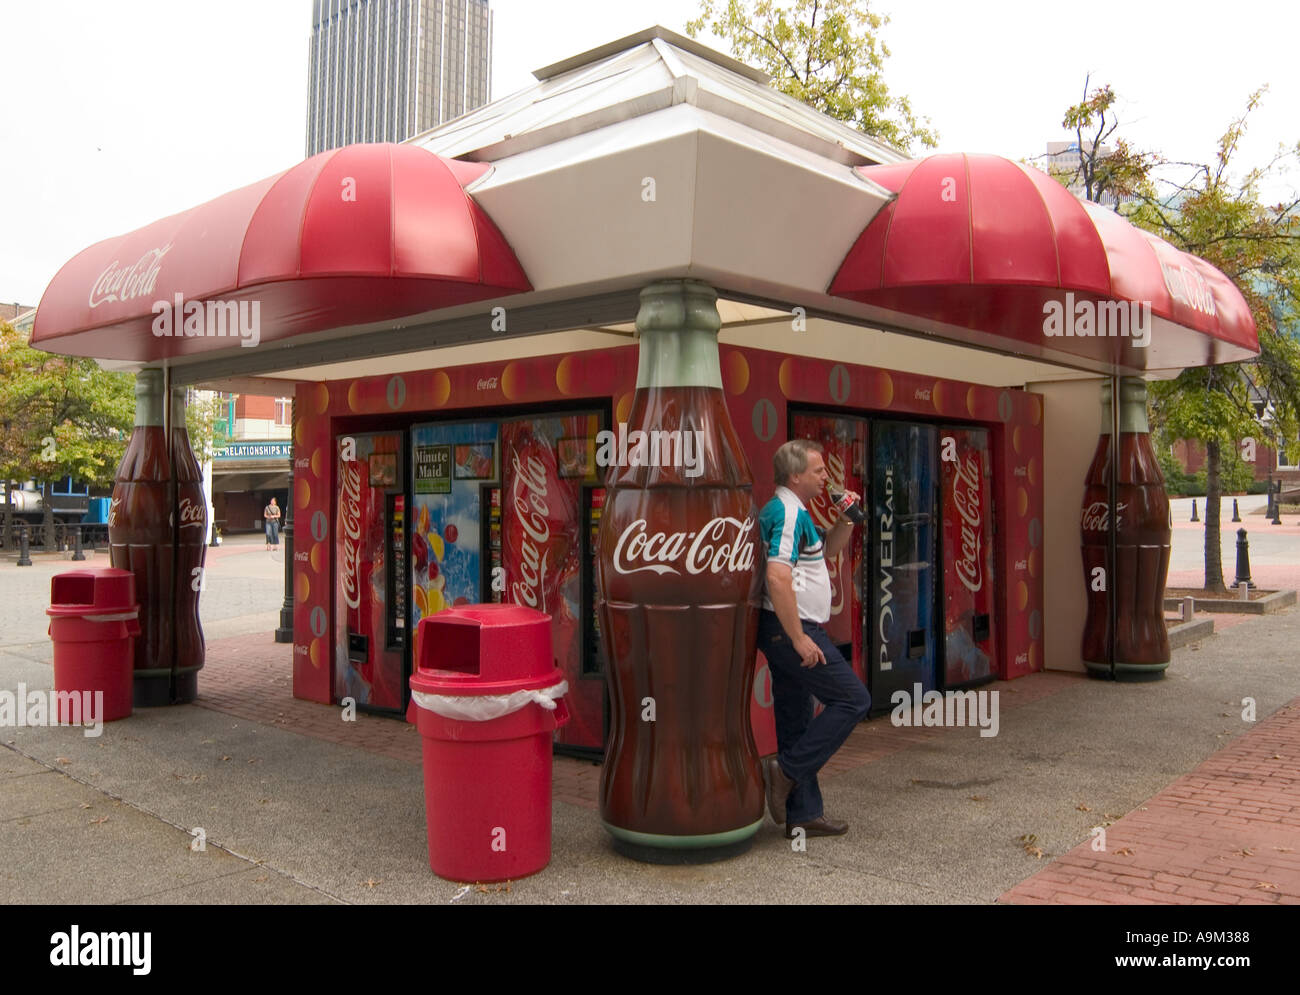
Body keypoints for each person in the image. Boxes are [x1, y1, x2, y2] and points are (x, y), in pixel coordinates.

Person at [758, 439, 871, 839]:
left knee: (796, 715)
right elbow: (776, 576)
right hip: (792, 628)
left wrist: (846, 519)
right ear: (795, 476)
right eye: (818, 471)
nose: (826, 477)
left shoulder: (797, 511)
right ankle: (784, 770)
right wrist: (799, 638)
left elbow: (824, 554)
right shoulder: (788, 512)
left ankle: (803, 814)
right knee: (854, 699)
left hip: (789, 628)